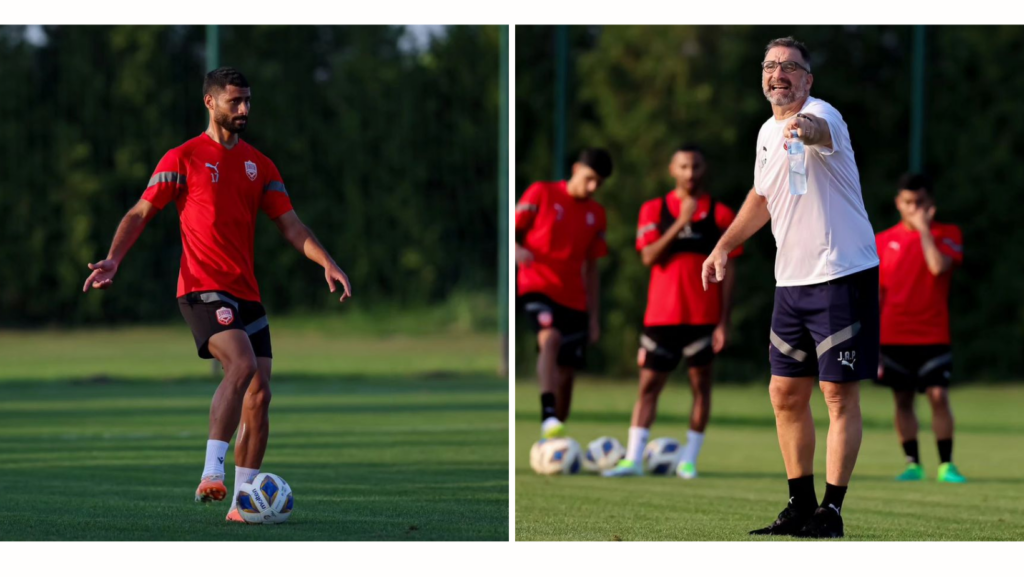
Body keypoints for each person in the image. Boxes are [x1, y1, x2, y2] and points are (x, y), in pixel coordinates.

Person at [82, 67, 353, 522]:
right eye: (235, 101)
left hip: (246, 292)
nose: (244, 109)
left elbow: (290, 224)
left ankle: (242, 504)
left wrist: (326, 260)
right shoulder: (182, 157)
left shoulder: (260, 165)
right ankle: (211, 472)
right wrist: (114, 258)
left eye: (248, 100)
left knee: (261, 393)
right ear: (210, 103)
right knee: (242, 364)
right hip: (201, 288)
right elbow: (140, 211)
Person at [701, 37, 879, 538]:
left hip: (841, 274)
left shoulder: (824, 115)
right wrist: (722, 247)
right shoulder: (764, 132)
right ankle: (799, 505)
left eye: (789, 67)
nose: (778, 74)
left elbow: (821, 133)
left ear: (807, 79)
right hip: (791, 282)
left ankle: (832, 511)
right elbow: (762, 197)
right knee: (784, 394)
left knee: (837, 395)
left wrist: (805, 127)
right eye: (770, 65)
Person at [603, 145, 741, 479]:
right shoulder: (653, 210)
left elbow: (731, 270)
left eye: (695, 166)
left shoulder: (721, 214)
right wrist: (681, 221)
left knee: (701, 389)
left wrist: (723, 322)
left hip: (703, 320)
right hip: (661, 318)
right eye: (683, 166)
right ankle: (633, 459)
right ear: (672, 169)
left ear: (703, 168)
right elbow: (649, 257)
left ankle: (688, 461)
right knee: (648, 388)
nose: (690, 173)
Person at [875, 174, 966, 483]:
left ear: (930, 204)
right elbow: (876, 295)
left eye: (920, 202)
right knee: (902, 399)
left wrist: (925, 231)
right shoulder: (882, 241)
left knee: (938, 395)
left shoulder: (948, 233)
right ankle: (912, 463)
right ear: (898, 203)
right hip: (893, 335)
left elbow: (938, 267)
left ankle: (946, 465)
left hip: (933, 334)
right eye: (907, 202)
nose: (913, 208)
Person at [516, 148, 612, 440]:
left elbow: (592, 269)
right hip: (537, 286)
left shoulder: (596, 215)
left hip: (574, 299)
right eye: (589, 179)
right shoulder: (541, 193)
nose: (592, 187)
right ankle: (547, 415)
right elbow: (511, 229)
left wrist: (594, 317)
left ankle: (554, 439)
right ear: (575, 168)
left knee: (568, 374)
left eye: (599, 183)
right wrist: (516, 248)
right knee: (550, 338)